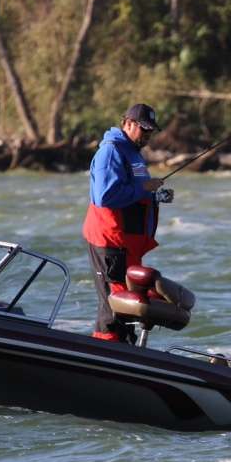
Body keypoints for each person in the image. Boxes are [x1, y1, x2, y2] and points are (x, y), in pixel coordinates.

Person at [82, 103, 173, 342]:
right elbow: (105, 196)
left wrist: (155, 196)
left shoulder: (132, 152)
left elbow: (133, 191)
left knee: (126, 303)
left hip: (127, 243)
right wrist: (144, 187)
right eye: (144, 130)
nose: (147, 135)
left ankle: (125, 344)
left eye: (150, 131)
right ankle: (106, 349)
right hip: (110, 240)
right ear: (128, 123)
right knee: (113, 301)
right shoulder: (111, 151)